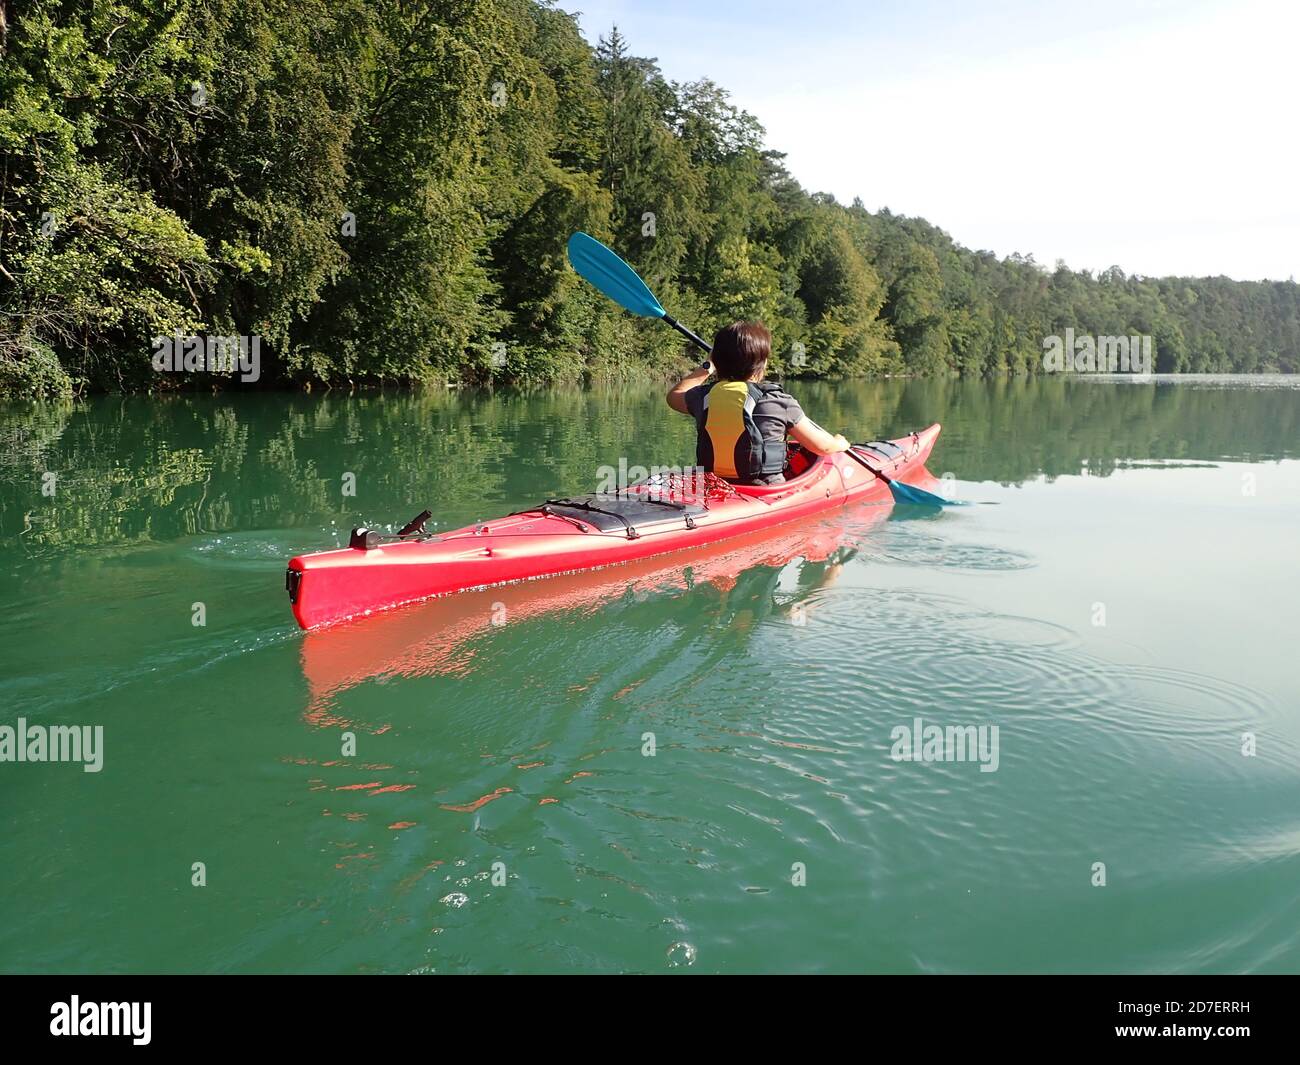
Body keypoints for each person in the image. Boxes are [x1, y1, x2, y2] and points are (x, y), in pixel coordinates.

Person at [666, 321, 850, 485]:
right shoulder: (778, 401)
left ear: (717, 361)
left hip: (713, 486)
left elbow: (674, 396)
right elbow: (822, 447)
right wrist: (840, 443)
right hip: (764, 490)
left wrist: (707, 366)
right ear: (761, 366)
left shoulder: (703, 397)